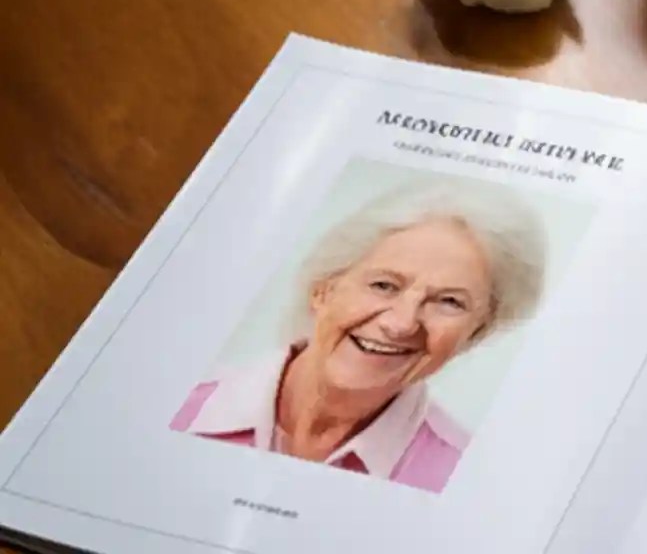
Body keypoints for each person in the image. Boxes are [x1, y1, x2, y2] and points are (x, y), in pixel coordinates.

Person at [169, 180, 547, 492]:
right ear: (324, 290)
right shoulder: (175, 401)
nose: (401, 324)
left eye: (448, 301)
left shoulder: (469, 483)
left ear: (475, 334)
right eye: (384, 285)